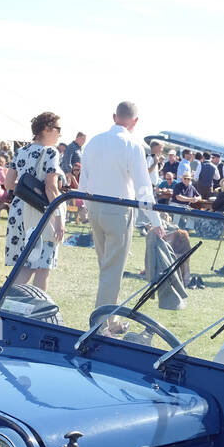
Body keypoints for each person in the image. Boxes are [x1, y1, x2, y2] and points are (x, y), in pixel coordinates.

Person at [78, 101, 155, 306]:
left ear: (114, 117)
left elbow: (83, 181)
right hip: (119, 211)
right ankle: (102, 323)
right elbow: (143, 186)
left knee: (106, 268)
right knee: (112, 270)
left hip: (95, 207)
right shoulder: (132, 145)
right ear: (135, 121)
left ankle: (110, 319)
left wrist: (86, 208)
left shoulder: (93, 142)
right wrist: (156, 221)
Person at [6, 110, 67, 291]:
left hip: (18, 209)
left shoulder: (21, 151)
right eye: (58, 128)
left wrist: (29, 189)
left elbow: (8, 183)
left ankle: (7, 303)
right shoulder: (50, 152)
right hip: (41, 211)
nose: (60, 133)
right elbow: (51, 187)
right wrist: (59, 217)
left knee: (25, 263)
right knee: (42, 266)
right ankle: (36, 310)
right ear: (47, 129)